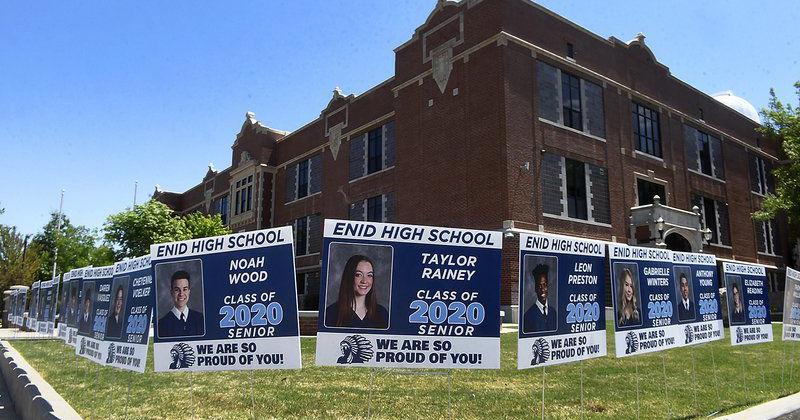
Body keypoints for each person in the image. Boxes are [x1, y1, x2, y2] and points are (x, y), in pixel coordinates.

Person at [325, 255, 389, 329]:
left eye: (369, 275)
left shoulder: (381, 313)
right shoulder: (331, 313)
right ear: (349, 277)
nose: (364, 281)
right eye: (358, 275)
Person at [158, 270, 205, 337]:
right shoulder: (162, 324)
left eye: (185, 289)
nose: (181, 294)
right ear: (171, 292)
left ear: (189, 291)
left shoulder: (200, 319)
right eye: (177, 290)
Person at [522, 263, 557, 333]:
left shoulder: (553, 312)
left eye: (544, 285)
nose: (542, 289)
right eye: (539, 286)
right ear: (535, 288)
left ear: (548, 287)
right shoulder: (528, 316)